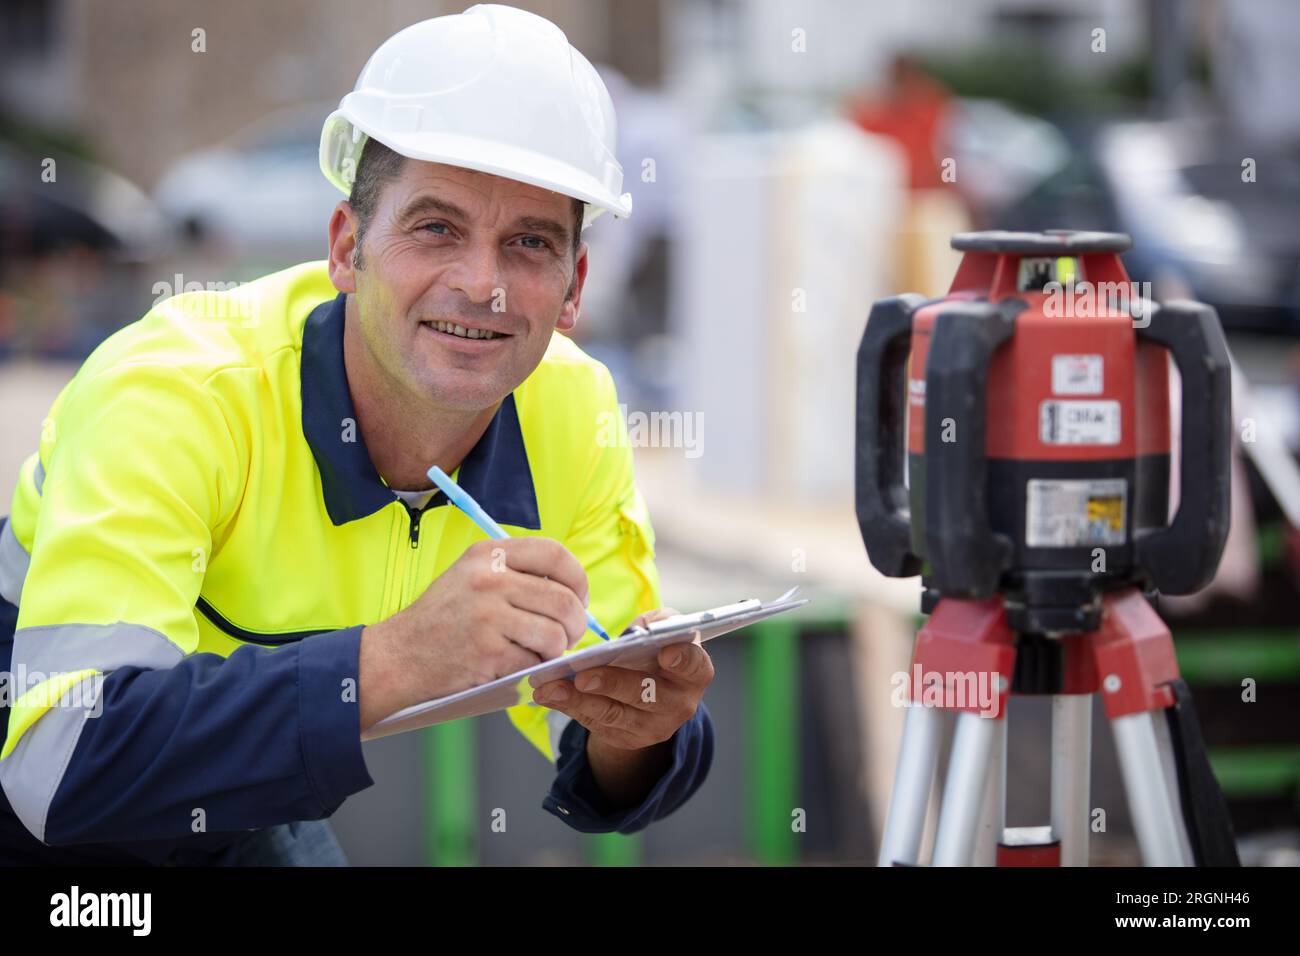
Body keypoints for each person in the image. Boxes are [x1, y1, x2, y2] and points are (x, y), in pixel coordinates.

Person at [0, 3, 714, 866]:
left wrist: (636, 729)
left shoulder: (573, 410)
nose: (481, 283)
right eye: (436, 227)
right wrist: (393, 661)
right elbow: (60, 765)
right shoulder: (179, 389)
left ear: (573, 288)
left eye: (529, 243)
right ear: (347, 247)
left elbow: (604, 717)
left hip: (233, 782)